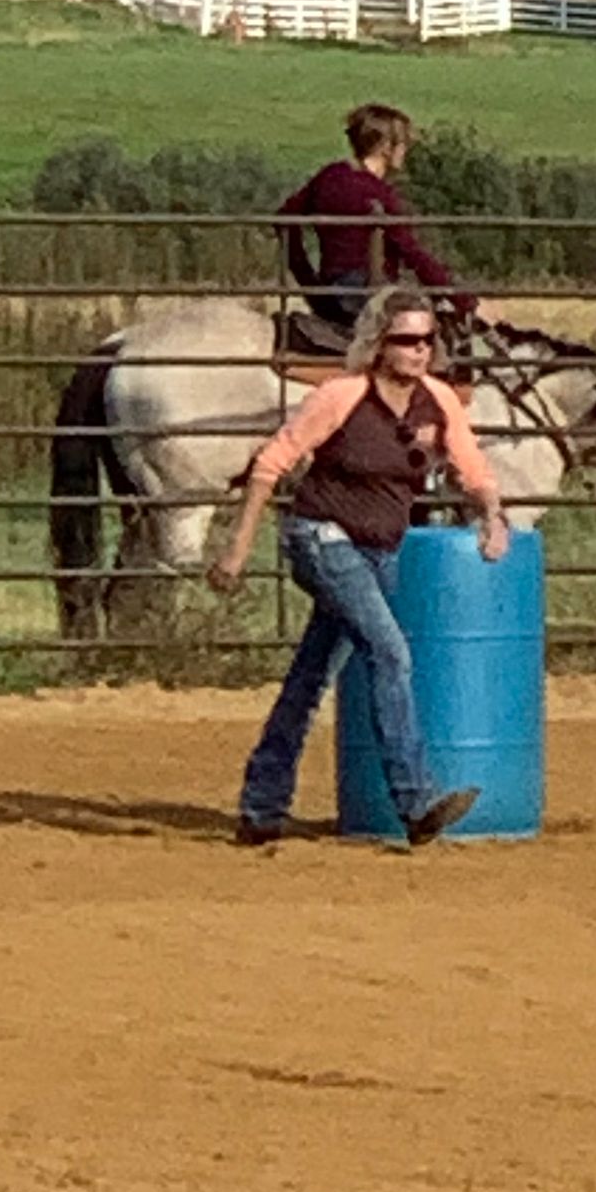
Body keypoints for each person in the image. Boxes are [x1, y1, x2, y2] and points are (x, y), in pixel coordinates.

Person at [209, 284, 509, 847]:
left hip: (379, 550)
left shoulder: (437, 400)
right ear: (378, 344)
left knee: (311, 677)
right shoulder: (342, 395)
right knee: (389, 649)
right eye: (406, 340)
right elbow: (273, 463)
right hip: (322, 537)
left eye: (427, 340)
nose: (419, 351)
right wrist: (238, 547)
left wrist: (493, 515)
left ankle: (261, 805)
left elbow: (471, 465)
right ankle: (414, 800)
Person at [275, 104, 478, 334]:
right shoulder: (378, 195)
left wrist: (309, 282)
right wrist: (461, 299)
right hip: (365, 295)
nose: (406, 150)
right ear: (385, 147)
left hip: (330, 291)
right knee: (424, 327)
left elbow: (284, 218)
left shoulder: (330, 176)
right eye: (403, 143)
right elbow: (411, 252)